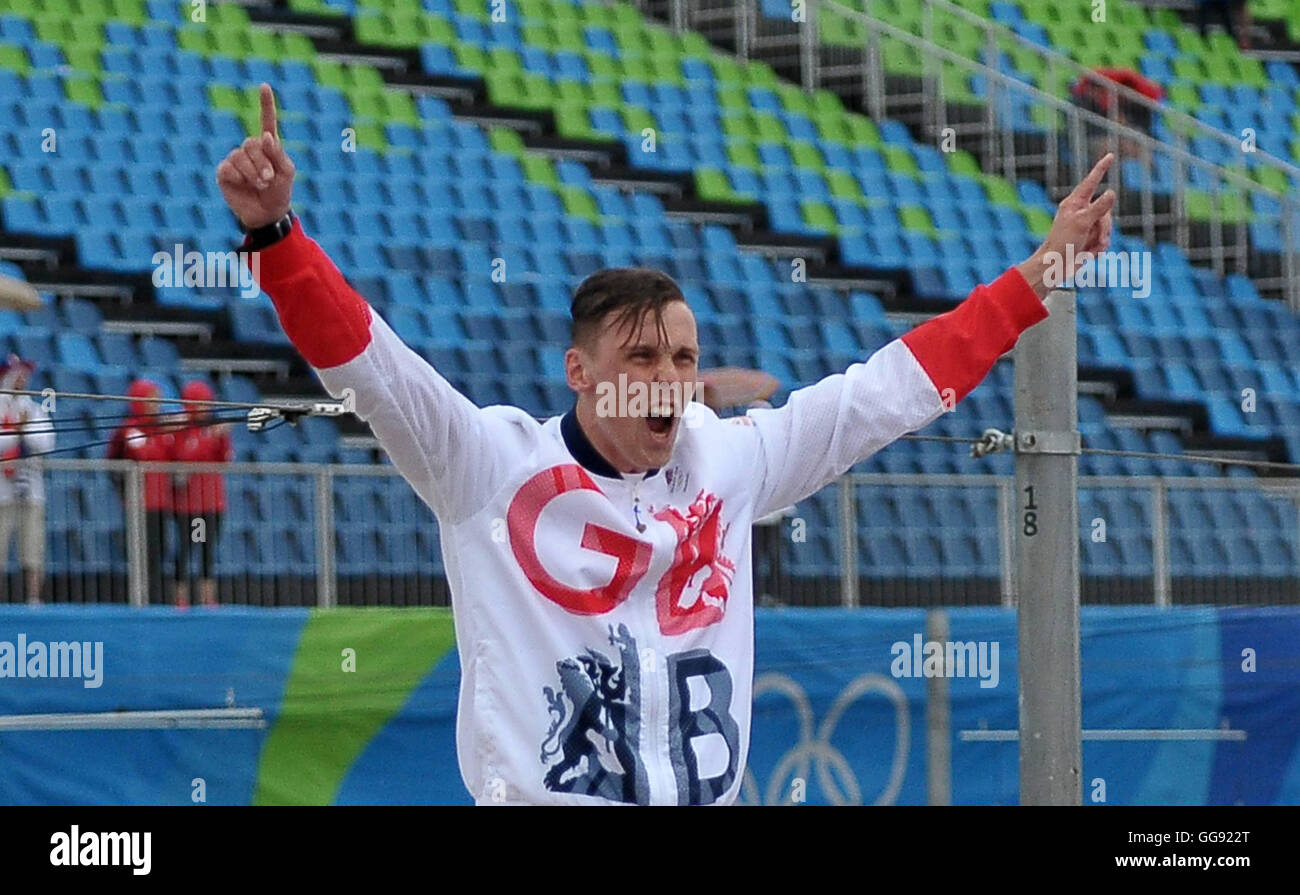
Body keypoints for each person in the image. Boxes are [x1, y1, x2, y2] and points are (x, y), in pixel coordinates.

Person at [218, 85, 1115, 805]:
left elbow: (884, 392)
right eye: (640, 355)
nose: (668, 377)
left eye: (683, 357)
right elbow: (373, 366)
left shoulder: (729, 461)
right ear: (579, 368)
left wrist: (1041, 272)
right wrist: (274, 237)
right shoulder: (491, 466)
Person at [107, 379, 176, 604]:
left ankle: (155, 599)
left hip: (161, 502)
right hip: (139, 504)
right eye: (151, 400)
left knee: (159, 551)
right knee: (140, 554)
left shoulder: (162, 430)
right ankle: (138, 599)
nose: (156, 405)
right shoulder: (130, 429)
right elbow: (141, 455)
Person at [170, 381, 232, 609]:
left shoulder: (211, 429)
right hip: (190, 505)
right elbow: (187, 457)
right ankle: (181, 597)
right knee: (187, 548)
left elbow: (224, 458)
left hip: (212, 502)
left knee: (208, 549)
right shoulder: (183, 429)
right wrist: (211, 438)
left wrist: (221, 437)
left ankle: (208, 598)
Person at [0, 356, 54, 604]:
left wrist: (24, 430)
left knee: (33, 550)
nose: (22, 378)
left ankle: (34, 599)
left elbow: (47, 442)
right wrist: (15, 435)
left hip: (31, 491)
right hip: (2, 493)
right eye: (17, 373)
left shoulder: (33, 408)